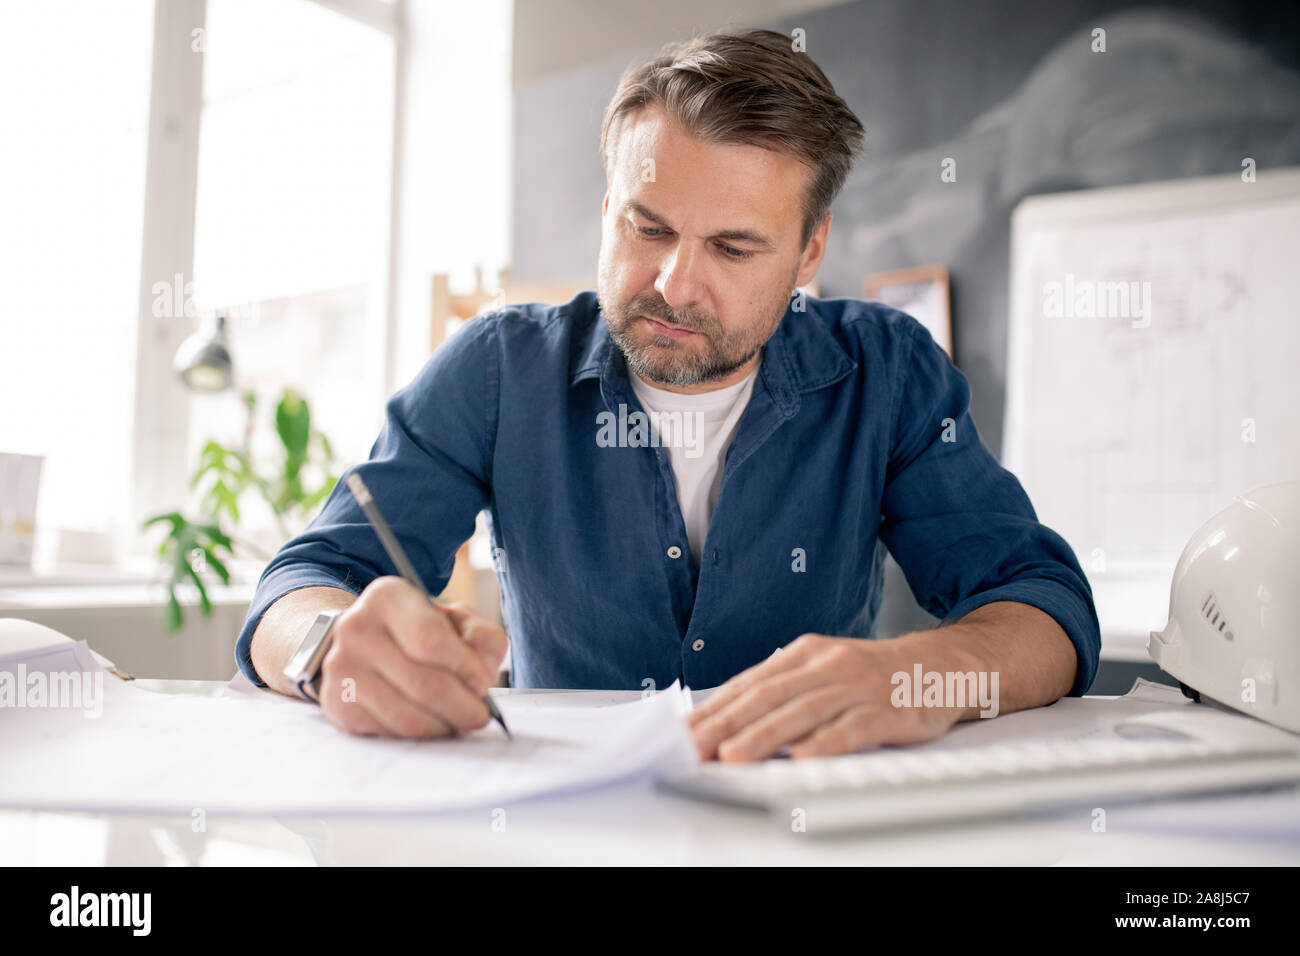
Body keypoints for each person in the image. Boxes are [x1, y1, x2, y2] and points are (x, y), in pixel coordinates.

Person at [236, 28, 1099, 762]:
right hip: (563, 827)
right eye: (647, 229)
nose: (676, 286)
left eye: (733, 247)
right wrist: (326, 649)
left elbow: (1043, 605)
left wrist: (915, 679)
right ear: (609, 207)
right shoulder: (499, 369)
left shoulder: (889, 372)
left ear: (808, 252)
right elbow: (305, 579)